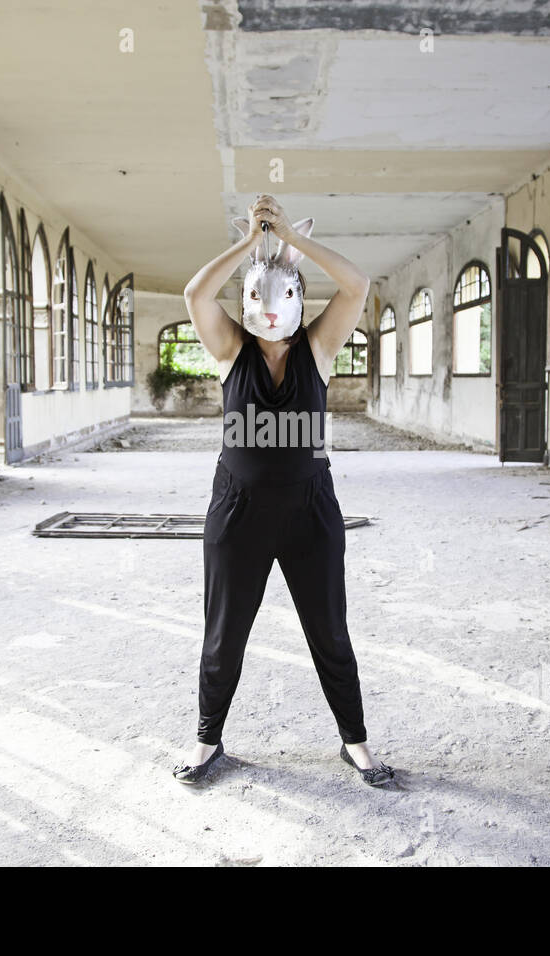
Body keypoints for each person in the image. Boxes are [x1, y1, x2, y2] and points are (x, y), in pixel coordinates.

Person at [173, 194, 394, 787]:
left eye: (282, 300)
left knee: (330, 633)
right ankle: (206, 740)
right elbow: (195, 294)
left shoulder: (318, 350)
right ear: (247, 303)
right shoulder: (229, 353)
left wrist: (292, 234)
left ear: (298, 299)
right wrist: (250, 243)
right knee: (223, 634)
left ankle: (356, 742)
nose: (270, 314)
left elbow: (357, 283)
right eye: (257, 299)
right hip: (237, 513)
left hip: (309, 512)